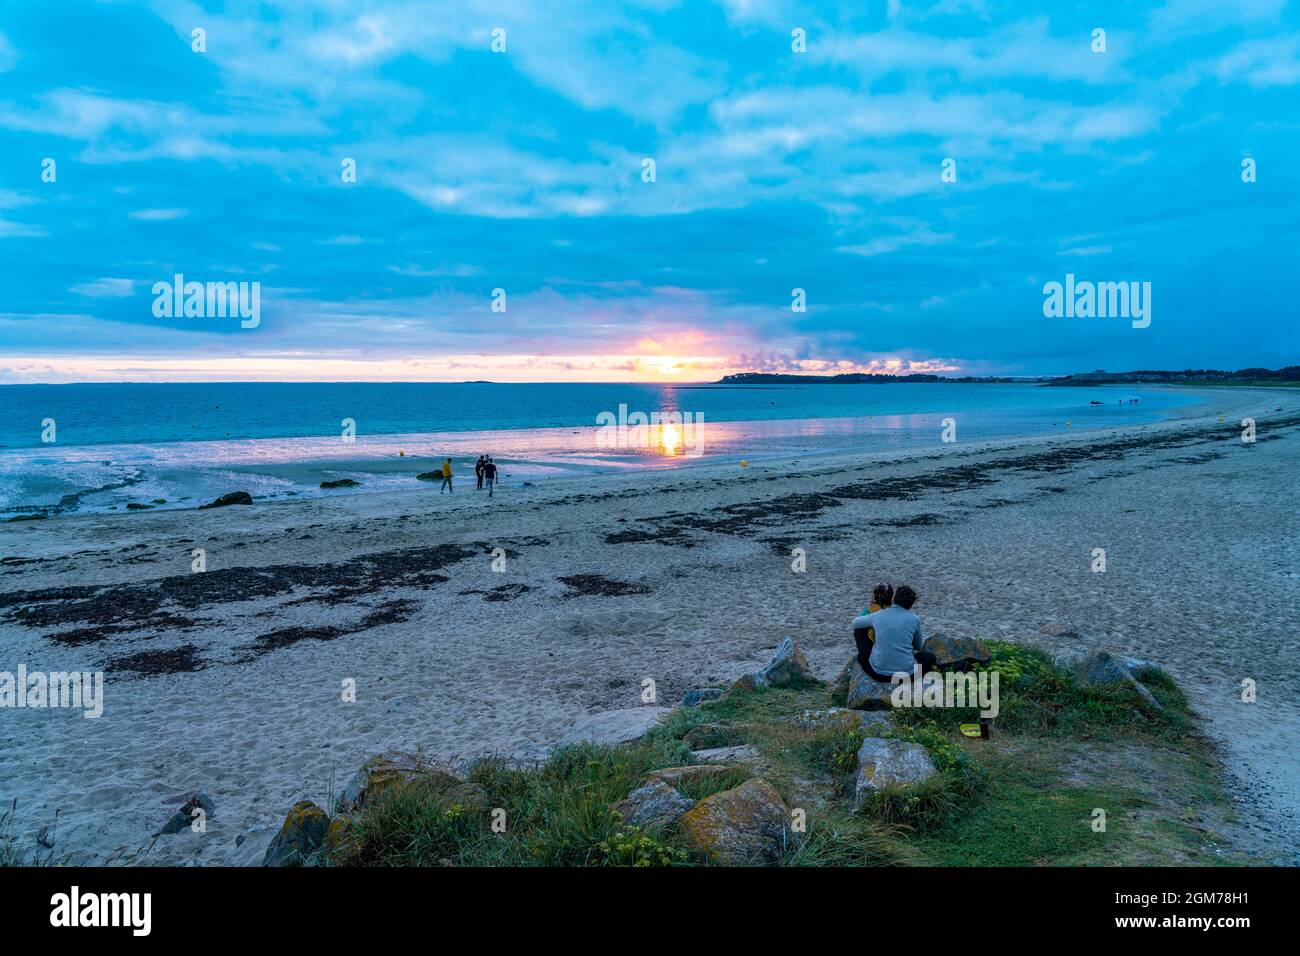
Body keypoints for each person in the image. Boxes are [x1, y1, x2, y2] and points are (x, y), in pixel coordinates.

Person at [852, 584, 936, 682]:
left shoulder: (878, 615)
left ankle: (867, 657)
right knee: (930, 658)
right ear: (911, 604)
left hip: (877, 674)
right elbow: (917, 646)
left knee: (859, 630)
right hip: (906, 676)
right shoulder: (914, 619)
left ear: (893, 599)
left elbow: (855, 623)